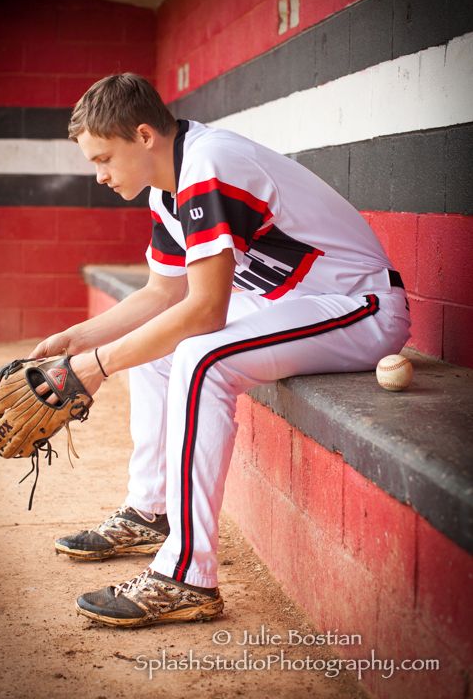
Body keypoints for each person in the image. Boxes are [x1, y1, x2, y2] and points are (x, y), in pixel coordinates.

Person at [29, 73, 411, 629]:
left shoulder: (209, 161)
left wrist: (97, 366)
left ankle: (188, 576)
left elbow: (206, 311)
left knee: (200, 358)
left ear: (144, 136)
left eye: (104, 158)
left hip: (360, 307)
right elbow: (163, 294)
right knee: (161, 348)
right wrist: (81, 340)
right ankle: (150, 510)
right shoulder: (166, 189)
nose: (100, 175)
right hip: (291, 305)